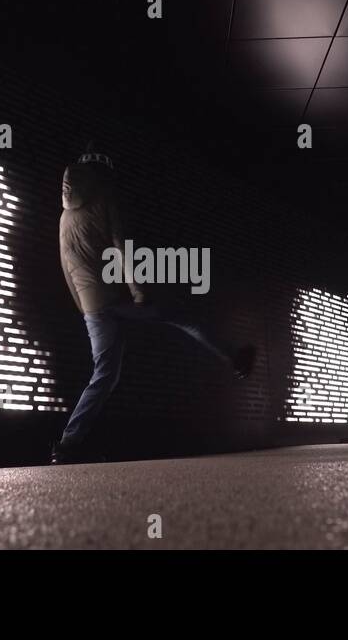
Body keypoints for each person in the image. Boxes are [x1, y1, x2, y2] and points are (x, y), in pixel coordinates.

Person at [52, 146, 256, 465]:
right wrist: (138, 290)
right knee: (185, 316)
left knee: (104, 374)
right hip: (118, 297)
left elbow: (66, 265)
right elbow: (122, 247)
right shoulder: (107, 197)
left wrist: (83, 305)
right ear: (102, 172)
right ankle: (236, 356)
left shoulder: (65, 214)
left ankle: (67, 445)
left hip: (92, 305)